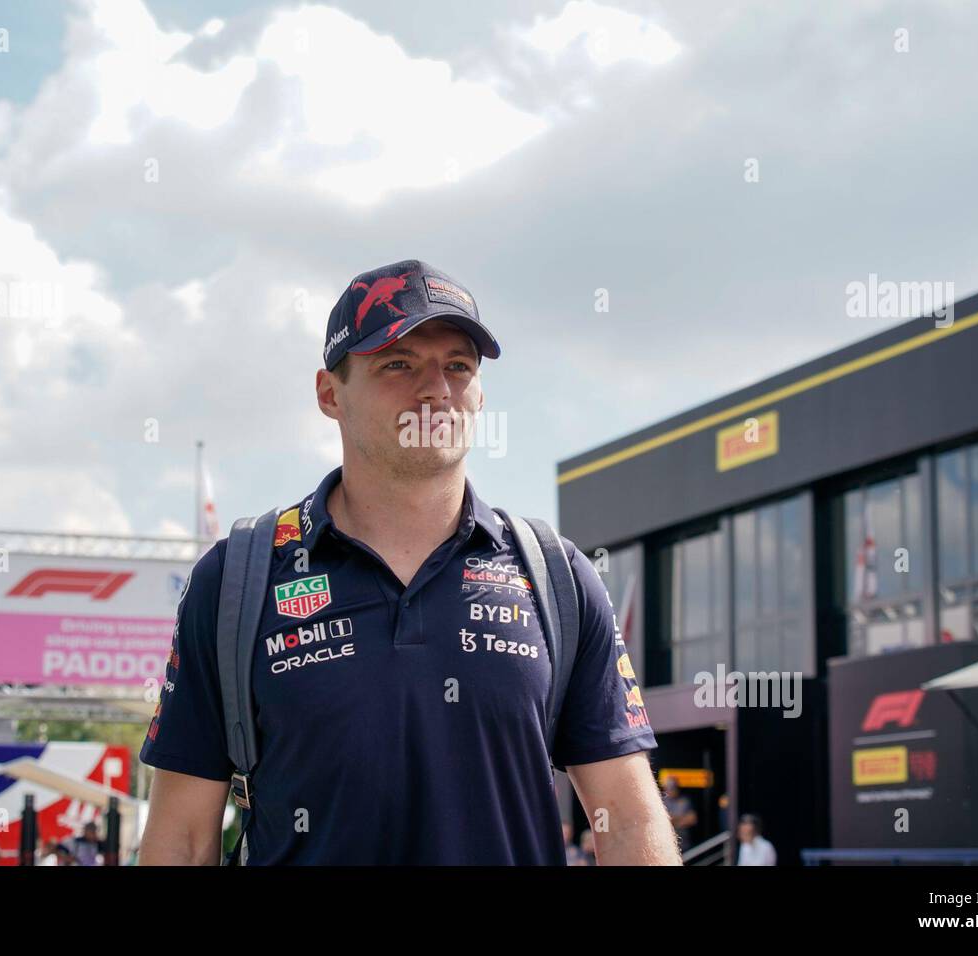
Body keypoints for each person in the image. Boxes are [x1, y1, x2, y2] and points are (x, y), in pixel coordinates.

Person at [138, 259, 681, 866]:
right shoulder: (239, 579)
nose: (435, 389)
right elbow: (182, 841)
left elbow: (629, 824)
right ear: (329, 393)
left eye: (458, 367)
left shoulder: (554, 577)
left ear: (480, 393)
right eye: (398, 363)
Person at [660, 776, 698, 851]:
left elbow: (693, 819)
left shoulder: (685, 801)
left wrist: (674, 820)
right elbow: (663, 821)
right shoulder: (662, 802)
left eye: (673, 787)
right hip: (667, 844)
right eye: (669, 787)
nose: (671, 790)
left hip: (684, 844)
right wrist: (682, 818)